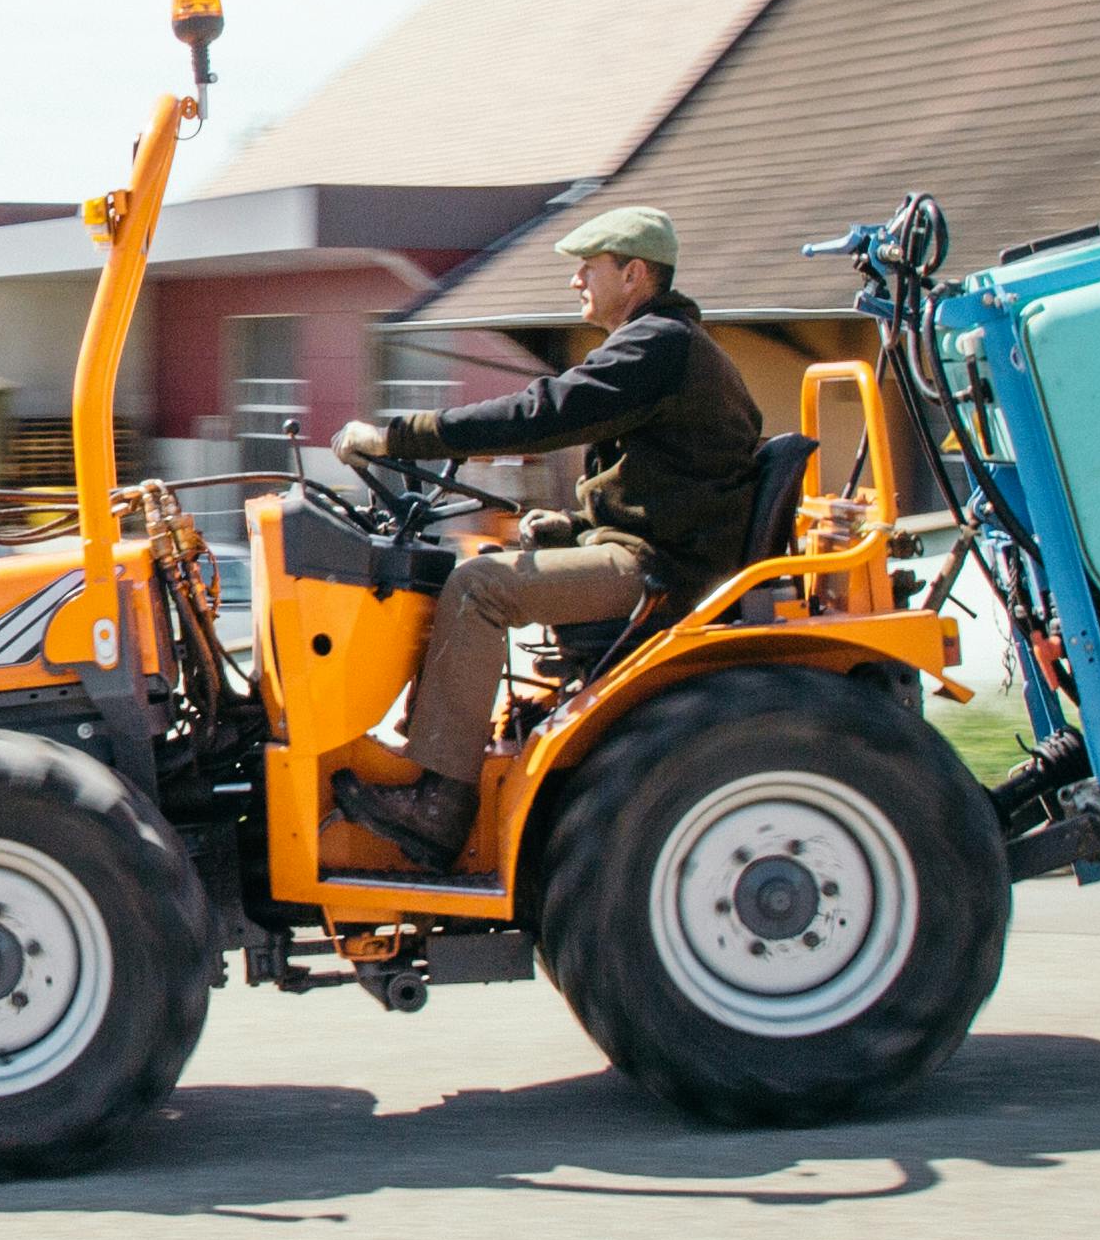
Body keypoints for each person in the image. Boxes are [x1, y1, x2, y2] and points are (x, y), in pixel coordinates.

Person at [321, 206, 770, 874]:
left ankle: (440, 803)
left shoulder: (658, 347)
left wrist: (398, 437)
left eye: (589, 267)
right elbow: (669, 488)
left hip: (662, 572)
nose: (575, 281)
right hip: (661, 552)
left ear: (634, 273)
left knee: (477, 587)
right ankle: (434, 750)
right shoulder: (665, 346)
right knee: (487, 564)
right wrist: (574, 528)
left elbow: (542, 413)